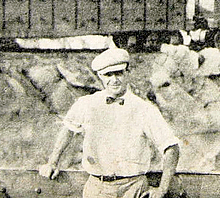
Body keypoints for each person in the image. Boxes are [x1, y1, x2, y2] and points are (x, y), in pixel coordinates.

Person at [39, 48, 180, 198]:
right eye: (108, 75)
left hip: (133, 188)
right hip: (96, 187)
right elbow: (68, 129)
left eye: (119, 73)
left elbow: (171, 147)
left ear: (127, 73)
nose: (114, 80)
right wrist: (52, 162)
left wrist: (162, 189)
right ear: (100, 76)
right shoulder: (87, 103)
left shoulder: (144, 108)